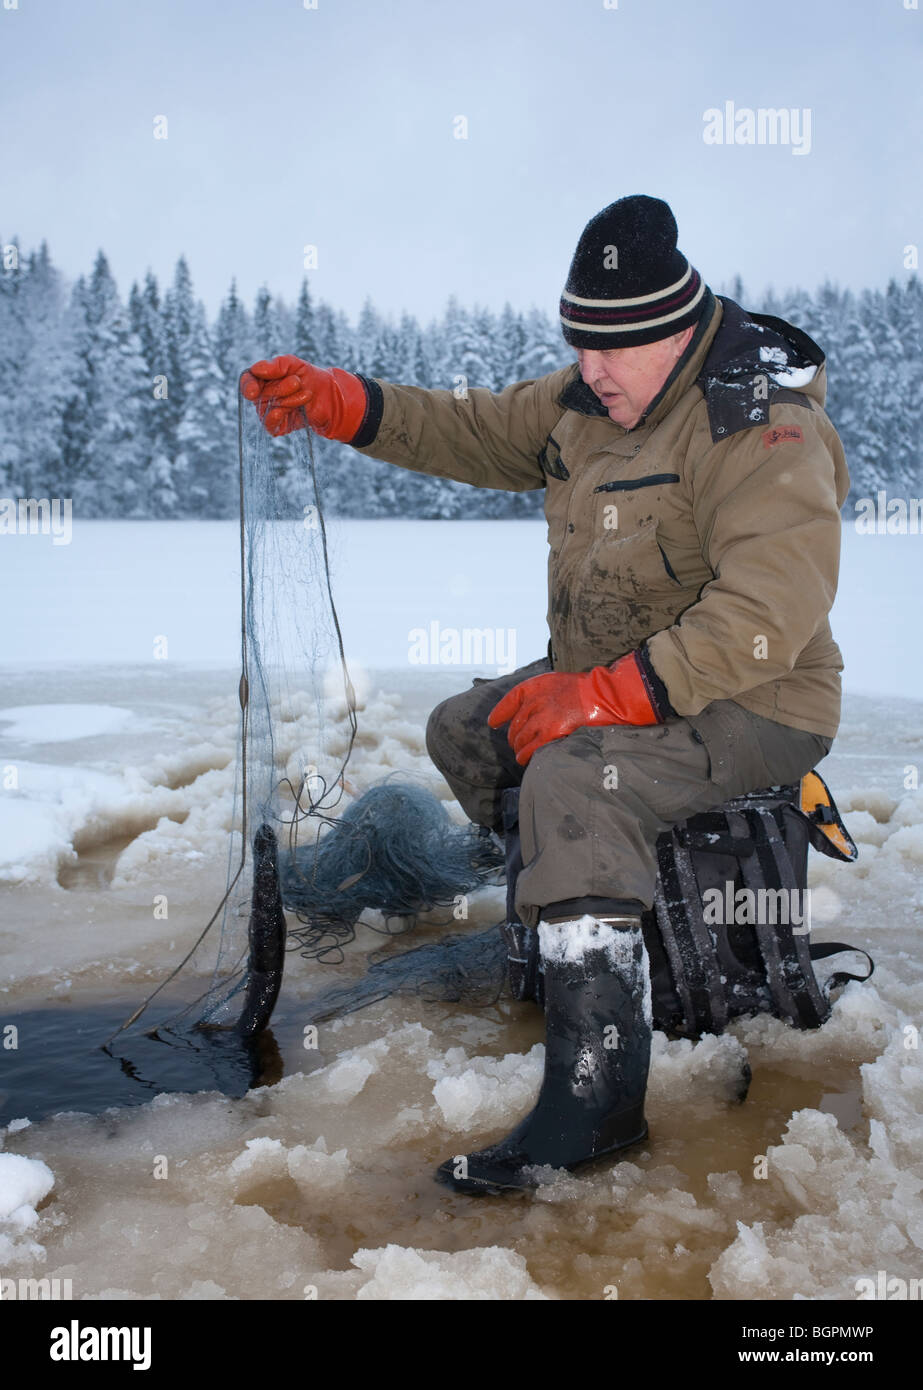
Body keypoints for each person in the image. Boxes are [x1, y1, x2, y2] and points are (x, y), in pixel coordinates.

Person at [241, 194, 848, 1195]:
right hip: (618, 676)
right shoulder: (588, 396)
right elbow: (475, 429)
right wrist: (342, 402)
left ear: (675, 328)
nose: (589, 367)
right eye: (577, 343)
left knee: (572, 777)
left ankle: (596, 1099)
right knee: (467, 734)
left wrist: (604, 695)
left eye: (611, 347)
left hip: (756, 699)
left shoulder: (757, 422)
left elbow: (766, 611)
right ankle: (560, 909)